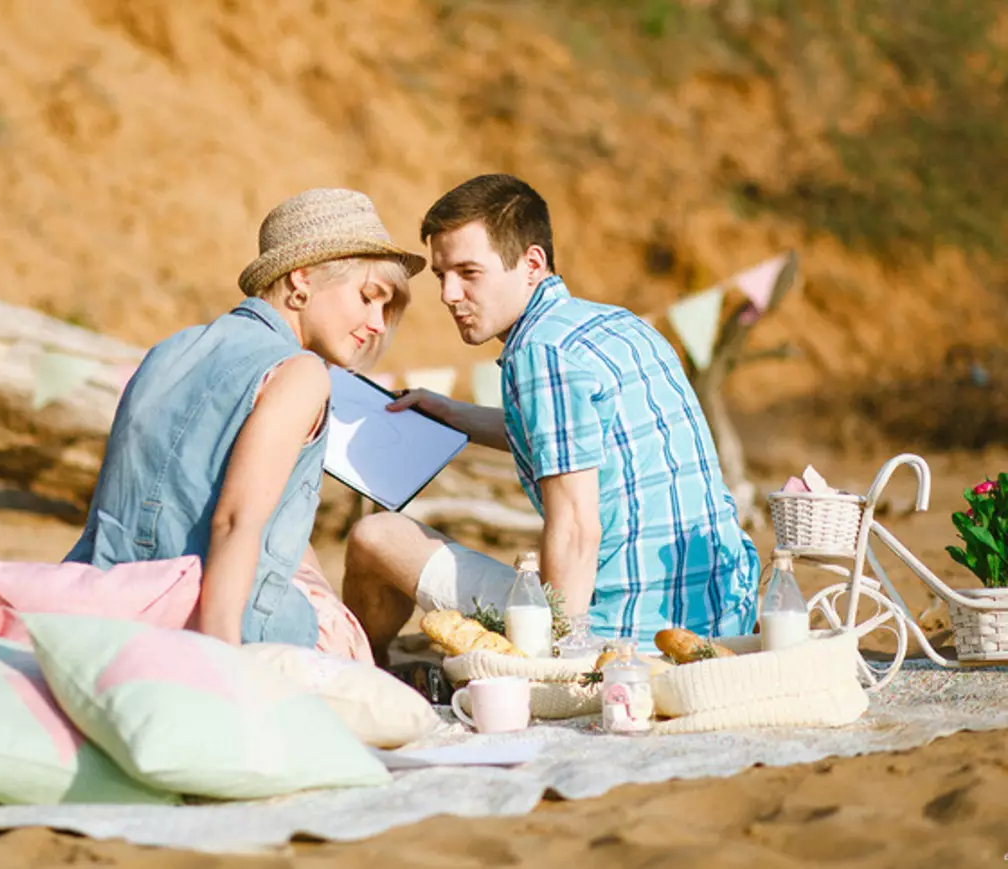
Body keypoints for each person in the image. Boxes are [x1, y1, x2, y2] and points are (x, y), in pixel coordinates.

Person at [342, 174, 760, 662]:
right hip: (721, 619)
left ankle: (368, 669)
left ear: (531, 264)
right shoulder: (614, 326)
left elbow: (577, 528)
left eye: (468, 272)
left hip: (622, 635)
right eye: (440, 275)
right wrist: (451, 413)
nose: (448, 294)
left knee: (374, 537)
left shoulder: (542, 352)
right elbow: (566, 440)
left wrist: (558, 660)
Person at [64, 188, 425, 651]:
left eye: (386, 308)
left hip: (95, 600)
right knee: (353, 625)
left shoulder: (169, 350)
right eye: (368, 297)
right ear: (301, 281)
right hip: (217, 621)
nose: (377, 323)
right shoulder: (301, 373)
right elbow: (235, 522)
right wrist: (222, 663)